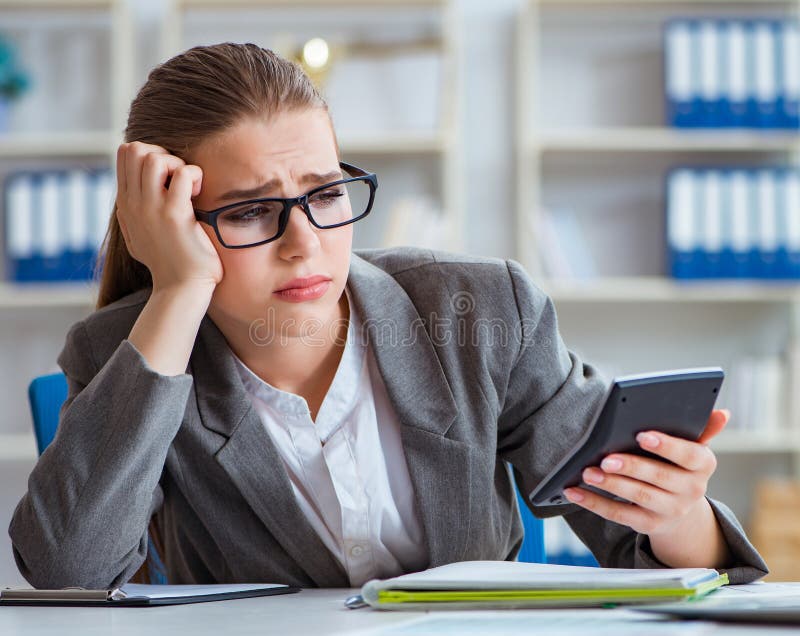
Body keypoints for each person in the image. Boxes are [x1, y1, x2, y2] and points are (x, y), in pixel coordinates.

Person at [9, 43, 767, 589]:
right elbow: (67, 572)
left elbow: (648, 549)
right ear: (172, 226)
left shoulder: (479, 311)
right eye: (249, 212)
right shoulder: (131, 350)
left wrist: (677, 516)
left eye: (325, 193)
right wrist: (175, 296)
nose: (306, 244)